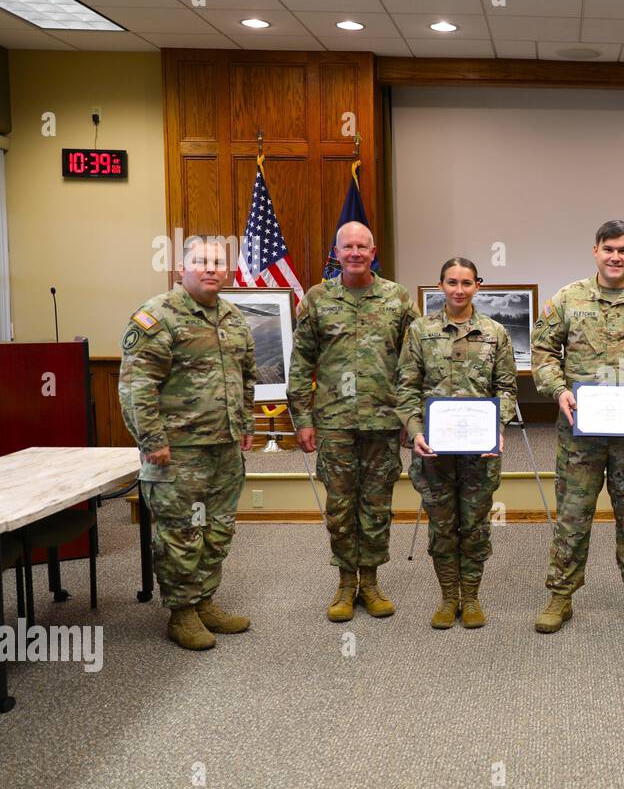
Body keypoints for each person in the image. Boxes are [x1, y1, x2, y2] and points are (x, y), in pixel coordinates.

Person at [531, 220, 624, 634]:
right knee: (573, 514)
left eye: (623, 250)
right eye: (608, 249)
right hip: (579, 432)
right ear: (595, 251)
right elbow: (543, 353)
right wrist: (559, 390)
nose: (615, 257)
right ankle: (560, 595)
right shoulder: (568, 299)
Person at [118, 238, 256, 650]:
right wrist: (152, 441)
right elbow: (137, 386)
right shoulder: (157, 316)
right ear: (181, 268)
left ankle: (204, 601)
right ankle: (181, 612)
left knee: (217, 529)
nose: (210, 268)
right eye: (200, 261)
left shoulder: (232, 318)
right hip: (176, 451)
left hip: (224, 447)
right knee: (181, 532)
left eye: (217, 261)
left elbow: (246, 376)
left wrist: (245, 423)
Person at [288, 222, 415, 622]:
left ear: (373, 251)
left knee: (377, 505)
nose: (356, 252)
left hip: (383, 420)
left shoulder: (397, 298)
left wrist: (412, 419)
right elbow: (301, 362)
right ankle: (346, 583)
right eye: (348, 247)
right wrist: (302, 418)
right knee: (341, 507)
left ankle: (372, 582)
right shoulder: (316, 299)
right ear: (336, 252)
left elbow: (414, 364)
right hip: (333, 422)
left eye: (363, 246)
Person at [396, 258, 517, 629]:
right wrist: (415, 430)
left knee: (476, 525)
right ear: (441, 285)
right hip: (434, 451)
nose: (459, 289)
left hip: (479, 452)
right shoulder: (420, 330)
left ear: (477, 285)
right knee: (442, 525)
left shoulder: (495, 332)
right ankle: (448, 597)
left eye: (466, 282)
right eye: (452, 282)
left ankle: (473, 597)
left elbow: (507, 388)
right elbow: (407, 388)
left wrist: (498, 425)